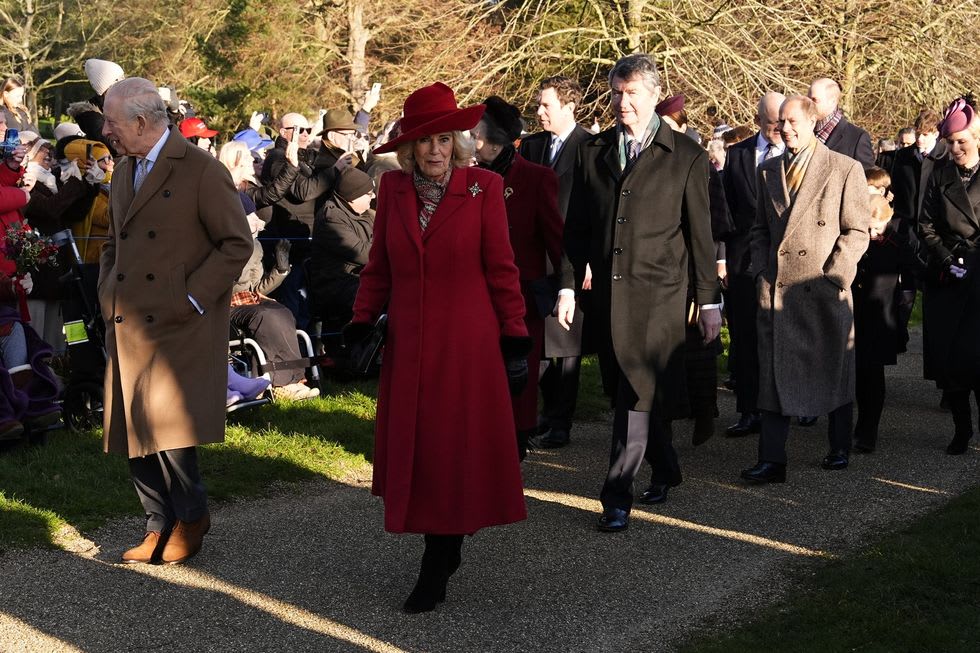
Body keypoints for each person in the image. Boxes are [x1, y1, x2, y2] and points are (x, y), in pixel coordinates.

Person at [348, 82, 529, 613]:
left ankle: (438, 560)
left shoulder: (484, 191)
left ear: (459, 143)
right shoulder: (395, 194)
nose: (434, 151)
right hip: (410, 346)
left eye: (444, 140)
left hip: (466, 347)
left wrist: (515, 332)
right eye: (425, 142)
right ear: (409, 149)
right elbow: (378, 268)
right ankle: (441, 545)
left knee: (453, 451)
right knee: (422, 452)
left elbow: (502, 268)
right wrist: (361, 322)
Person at [556, 53, 721, 531]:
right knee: (630, 391)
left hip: (661, 298)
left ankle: (616, 496)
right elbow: (577, 230)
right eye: (615, 93)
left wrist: (708, 301)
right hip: (608, 297)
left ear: (653, 95)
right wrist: (567, 288)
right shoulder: (594, 151)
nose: (622, 103)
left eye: (631, 94)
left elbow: (701, 237)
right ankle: (666, 465)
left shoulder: (686, 156)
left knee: (636, 394)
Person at [98, 77, 253, 565]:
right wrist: (108, 294)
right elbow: (112, 244)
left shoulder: (201, 170)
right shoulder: (124, 169)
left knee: (169, 434)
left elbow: (236, 244)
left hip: (177, 324)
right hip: (128, 320)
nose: (105, 131)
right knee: (132, 429)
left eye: (111, 121)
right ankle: (156, 522)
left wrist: (192, 298)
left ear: (142, 122)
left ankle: (191, 517)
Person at [740, 95, 870, 484]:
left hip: (822, 288)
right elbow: (760, 229)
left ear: (813, 121)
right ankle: (772, 459)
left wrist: (834, 275)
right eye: (781, 123)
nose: (786, 129)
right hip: (778, 290)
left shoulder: (843, 168)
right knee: (774, 373)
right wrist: (761, 269)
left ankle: (839, 445)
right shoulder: (769, 170)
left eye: (794, 122)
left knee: (833, 366)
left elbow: (857, 230)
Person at [472, 96, 563, 459]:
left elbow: (556, 239)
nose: (468, 138)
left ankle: (516, 441)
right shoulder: (469, 178)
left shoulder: (537, 178)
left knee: (519, 379)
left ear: (492, 140)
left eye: (474, 133)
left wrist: (567, 286)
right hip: (476, 297)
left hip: (522, 298)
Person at [518, 75, 593, 450]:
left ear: (569, 105)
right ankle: (540, 416)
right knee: (537, 345)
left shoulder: (589, 148)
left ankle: (560, 421)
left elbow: (596, 207)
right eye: (538, 104)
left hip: (573, 258)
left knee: (565, 345)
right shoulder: (532, 147)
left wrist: (589, 261)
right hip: (536, 260)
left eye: (546, 104)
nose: (539, 111)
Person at [219, 140, 317, 401]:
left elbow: (256, 289)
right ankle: (282, 383)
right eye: (253, 217)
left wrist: (280, 269)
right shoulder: (227, 242)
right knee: (266, 315)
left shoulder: (257, 247)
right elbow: (228, 282)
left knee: (280, 310)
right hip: (225, 304)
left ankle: (295, 380)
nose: (259, 221)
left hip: (247, 300)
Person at [917, 97, 980, 455]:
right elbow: (925, 225)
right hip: (949, 274)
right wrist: (945, 259)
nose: (954, 148)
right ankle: (961, 429)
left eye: (962, 142)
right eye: (950, 141)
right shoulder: (940, 174)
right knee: (952, 359)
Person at [722, 92, 786, 439]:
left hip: (786, 262)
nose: (779, 128)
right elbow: (725, 211)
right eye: (772, 121)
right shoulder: (738, 154)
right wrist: (722, 259)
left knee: (781, 336)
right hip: (744, 261)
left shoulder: (796, 152)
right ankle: (748, 409)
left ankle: (782, 404)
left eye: (784, 121)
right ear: (759, 118)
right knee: (745, 339)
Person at [853, 192, 908, 452]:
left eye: (876, 228)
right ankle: (860, 424)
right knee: (859, 374)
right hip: (857, 316)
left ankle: (868, 430)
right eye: (868, 228)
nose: (872, 233)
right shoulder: (857, 242)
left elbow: (916, 269)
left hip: (882, 318)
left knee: (873, 376)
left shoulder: (895, 244)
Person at [308, 167, 375, 328]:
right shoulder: (331, 219)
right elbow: (360, 252)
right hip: (337, 286)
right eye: (368, 193)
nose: (373, 196)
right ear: (353, 196)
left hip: (360, 278)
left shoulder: (365, 214)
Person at [807, 77, 874, 169]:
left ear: (832, 101)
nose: (809, 104)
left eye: (815, 100)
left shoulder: (857, 138)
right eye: (808, 99)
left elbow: (867, 179)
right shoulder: (804, 130)